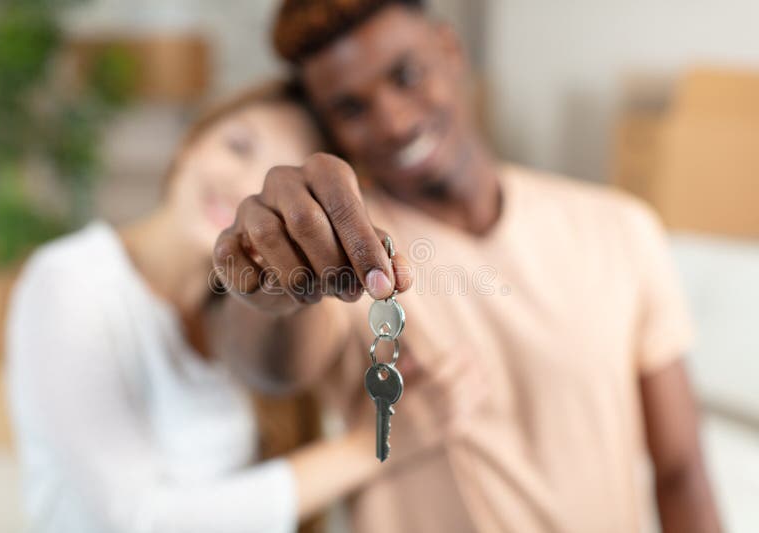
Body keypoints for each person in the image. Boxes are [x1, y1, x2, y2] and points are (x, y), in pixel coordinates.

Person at [211, 2, 723, 532]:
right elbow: (270, 369)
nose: (394, 121)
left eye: (406, 76)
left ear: (450, 50)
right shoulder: (350, 250)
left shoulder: (620, 228)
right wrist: (278, 292)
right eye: (351, 109)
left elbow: (681, 469)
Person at [5, 81, 478, 533]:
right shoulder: (70, 281)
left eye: (280, 183)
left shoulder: (248, 316)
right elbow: (136, 519)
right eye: (238, 146)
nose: (247, 189)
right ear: (190, 144)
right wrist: (370, 448)